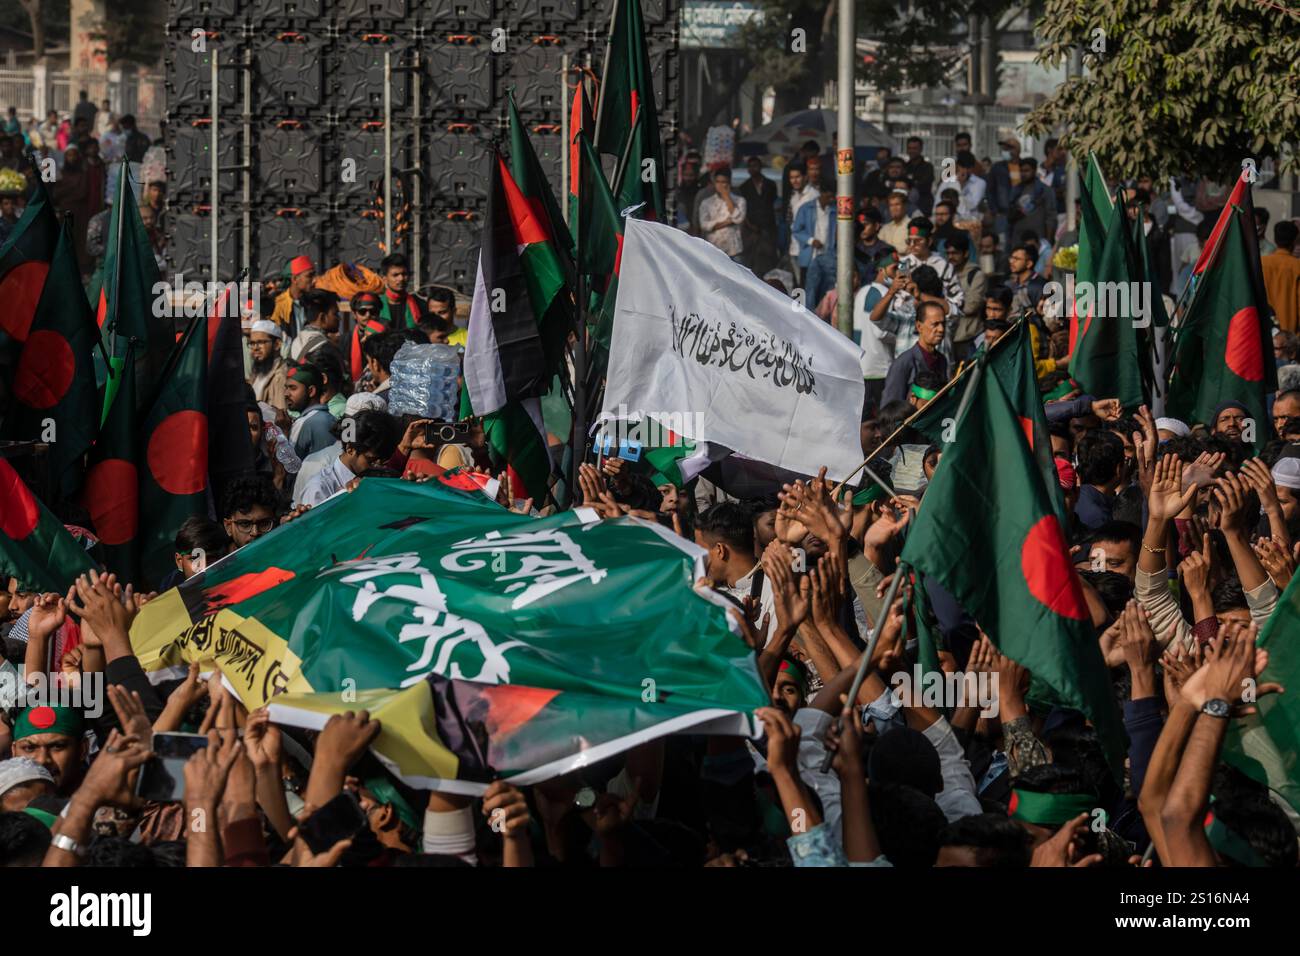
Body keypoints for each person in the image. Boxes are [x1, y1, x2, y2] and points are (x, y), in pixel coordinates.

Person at [298, 411, 400, 506]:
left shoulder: (385, 479)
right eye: (371, 461)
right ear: (350, 449)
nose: (379, 466)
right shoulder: (320, 488)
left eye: (384, 461)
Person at [882, 300, 950, 406]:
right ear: (919, 326)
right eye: (935, 324)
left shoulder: (942, 360)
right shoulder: (904, 363)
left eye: (943, 324)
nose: (941, 329)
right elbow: (889, 408)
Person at [284, 360, 338, 459]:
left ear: (311, 391)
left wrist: (283, 434)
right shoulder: (328, 418)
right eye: (286, 388)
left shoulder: (309, 422)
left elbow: (290, 468)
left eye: (293, 388)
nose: (286, 394)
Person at [946, 233, 986, 362]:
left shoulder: (976, 275)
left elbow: (971, 307)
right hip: (950, 336)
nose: (951, 257)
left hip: (969, 337)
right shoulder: (946, 273)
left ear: (966, 253)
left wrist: (946, 304)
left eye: (955, 253)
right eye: (948, 253)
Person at [737, 155, 779, 276]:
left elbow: (773, 204)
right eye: (750, 167)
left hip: (768, 227)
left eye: (755, 166)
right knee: (751, 260)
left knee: (769, 257)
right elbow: (743, 210)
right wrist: (750, 225)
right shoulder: (744, 187)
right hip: (751, 229)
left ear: (760, 167)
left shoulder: (770, 184)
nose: (752, 169)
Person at [698, 166, 746, 261]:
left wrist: (726, 196)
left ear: (729, 183)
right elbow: (704, 225)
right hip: (714, 248)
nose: (720, 185)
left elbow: (738, 218)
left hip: (733, 249)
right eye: (718, 182)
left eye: (723, 182)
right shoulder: (707, 202)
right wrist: (727, 222)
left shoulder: (740, 201)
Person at [221, 475, 280, 549]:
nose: (255, 532)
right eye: (245, 524)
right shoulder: (213, 559)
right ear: (228, 527)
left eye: (264, 523)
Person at [1262, 221, 1300, 333]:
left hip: (1264, 331)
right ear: (1294, 241)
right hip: (1289, 336)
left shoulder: (1261, 263)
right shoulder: (1297, 266)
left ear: (1275, 239)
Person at [377, 253, 429, 329]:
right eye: (395, 275)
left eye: (404, 274)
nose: (401, 278)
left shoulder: (420, 304)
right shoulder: (377, 305)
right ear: (385, 279)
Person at [289, 289, 342, 363]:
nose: (339, 318)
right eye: (335, 314)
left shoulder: (296, 341)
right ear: (322, 317)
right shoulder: (327, 348)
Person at [271, 256, 317, 340]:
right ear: (295, 279)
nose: (314, 280)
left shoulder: (313, 302)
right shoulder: (278, 303)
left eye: (314, 275)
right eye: (309, 276)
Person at [247, 320, 288, 410]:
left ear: (277, 344)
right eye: (252, 343)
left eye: (261, 342)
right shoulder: (256, 373)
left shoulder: (281, 376)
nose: (255, 348)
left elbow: (279, 416)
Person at [903, 136, 935, 216]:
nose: (912, 151)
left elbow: (925, 185)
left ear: (921, 149)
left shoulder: (927, 166)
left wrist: (910, 184)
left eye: (915, 148)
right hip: (907, 208)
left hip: (923, 207)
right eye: (909, 148)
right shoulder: (904, 167)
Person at [879, 190, 915, 256]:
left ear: (904, 206)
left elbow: (912, 251)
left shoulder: (912, 226)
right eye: (891, 205)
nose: (894, 208)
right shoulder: (885, 228)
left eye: (897, 204)